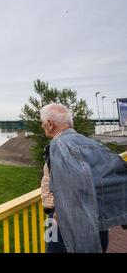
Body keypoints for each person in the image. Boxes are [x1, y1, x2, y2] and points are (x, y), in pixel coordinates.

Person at [40, 103, 127, 253]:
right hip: (94, 214)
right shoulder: (90, 143)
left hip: (62, 219)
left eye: (42, 122)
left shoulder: (59, 146)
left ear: (50, 124)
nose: (41, 126)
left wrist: (57, 214)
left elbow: (71, 186)